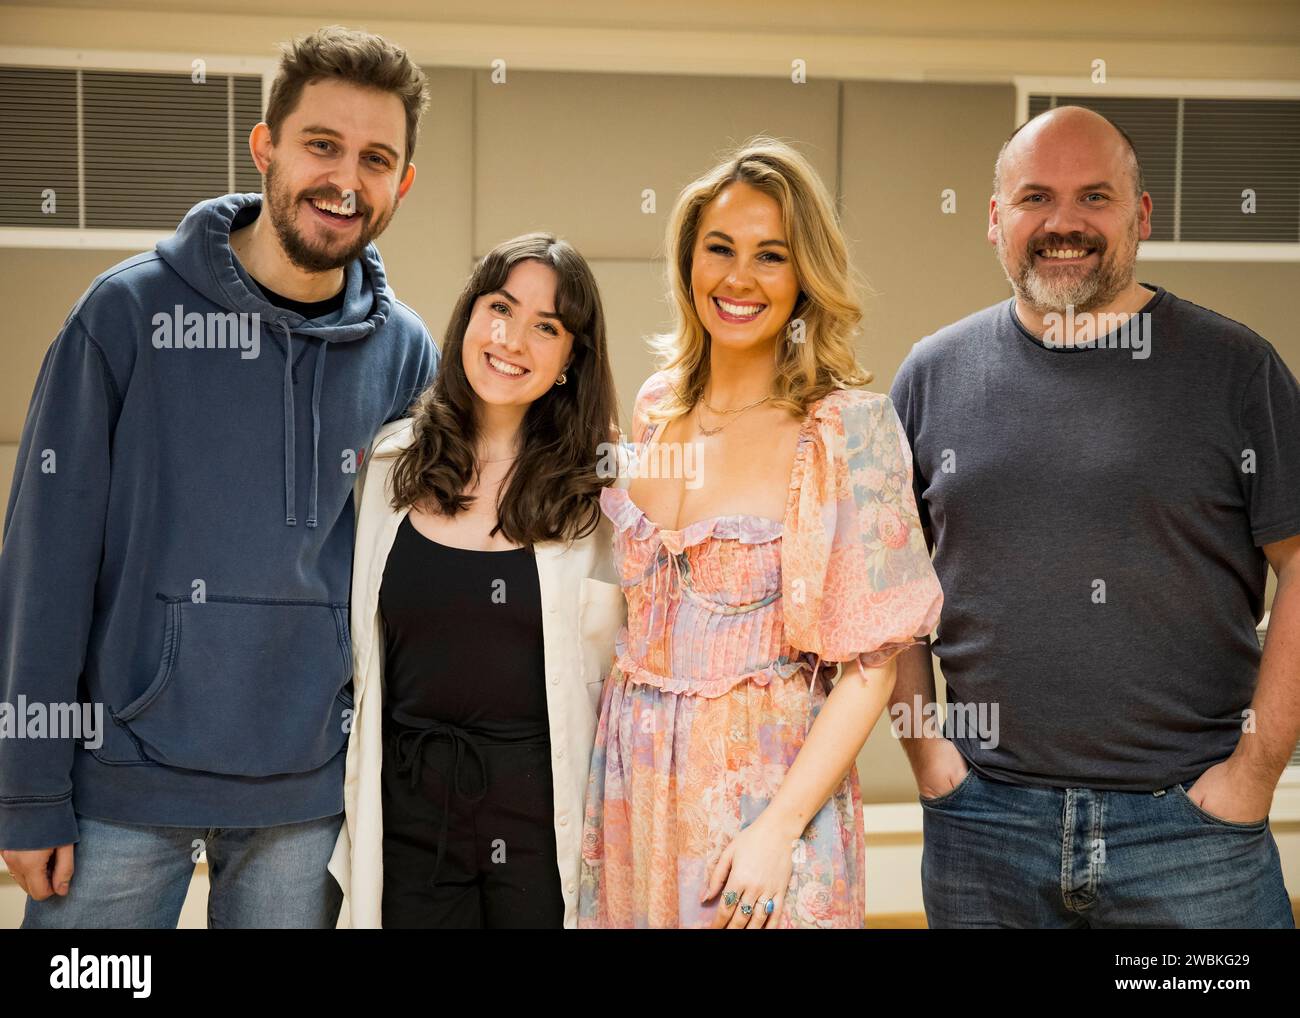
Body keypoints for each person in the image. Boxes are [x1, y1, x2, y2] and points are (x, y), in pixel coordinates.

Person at [1, 26, 438, 928]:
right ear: (265, 145)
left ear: (402, 182)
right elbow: (44, 570)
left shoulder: (406, 355)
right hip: (119, 787)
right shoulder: (124, 315)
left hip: (307, 799)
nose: (345, 180)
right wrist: (26, 790)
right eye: (322, 145)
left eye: (375, 158)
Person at [890, 105, 1299, 928]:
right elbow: (889, 583)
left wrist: (1255, 774)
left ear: (1141, 215)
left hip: (1191, 835)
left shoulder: (1236, 369)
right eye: (1036, 197)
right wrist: (928, 756)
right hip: (984, 830)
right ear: (996, 218)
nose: (1063, 223)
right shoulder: (930, 376)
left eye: (1095, 197)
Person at [578, 138, 943, 928]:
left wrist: (778, 828)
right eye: (720, 248)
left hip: (765, 796)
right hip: (634, 787)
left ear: (805, 277)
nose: (738, 277)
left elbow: (874, 667)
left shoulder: (852, 429)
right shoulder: (653, 406)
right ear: (688, 261)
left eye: (770, 256)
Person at [328, 233, 626, 928]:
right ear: (468, 316)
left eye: (546, 327)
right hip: (407, 818)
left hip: (539, 819)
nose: (512, 339)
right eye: (500, 308)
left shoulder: (604, 491)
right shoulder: (388, 465)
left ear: (568, 362)